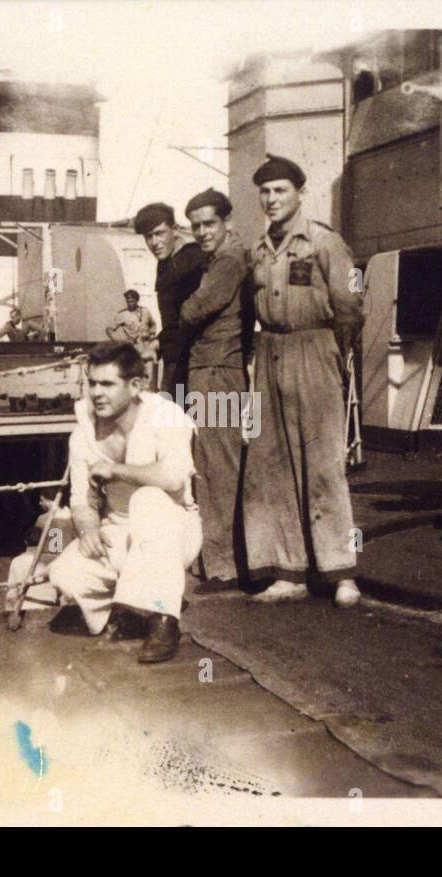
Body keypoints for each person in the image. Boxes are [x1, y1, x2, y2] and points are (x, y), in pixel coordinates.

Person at [243, 154, 363, 607]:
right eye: (265, 191)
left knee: (324, 464)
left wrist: (336, 355)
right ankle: (287, 570)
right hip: (270, 351)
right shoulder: (258, 250)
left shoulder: (325, 243)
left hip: (315, 348)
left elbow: (350, 306)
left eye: (280, 190)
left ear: (299, 193)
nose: (271, 199)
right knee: (271, 465)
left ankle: (341, 573)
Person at [47, 341, 203, 663]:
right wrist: (88, 527)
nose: (97, 392)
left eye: (107, 384)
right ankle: (127, 612)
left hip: (172, 528)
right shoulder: (84, 435)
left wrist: (115, 469)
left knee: (147, 500)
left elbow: (173, 477)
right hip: (119, 532)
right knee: (64, 572)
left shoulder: (165, 416)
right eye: (92, 383)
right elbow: (81, 499)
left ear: (135, 386)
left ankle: (163, 620)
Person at [179, 187, 251, 590]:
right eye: (195, 226)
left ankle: (224, 566)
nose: (202, 232)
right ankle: (216, 560)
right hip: (209, 370)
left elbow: (196, 308)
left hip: (218, 371)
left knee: (217, 467)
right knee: (207, 462)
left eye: (209, 223)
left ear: (226, 223)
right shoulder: (218, 259)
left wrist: (183, 308)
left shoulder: (227, 260)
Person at [133, 202, 207, 395]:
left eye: (159, 233)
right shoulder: (166, 263)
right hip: (175, 359)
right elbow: (173, 319)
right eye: (148, 236)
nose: (154, 242)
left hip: (194, 363)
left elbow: (192, 319)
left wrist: (159, 344)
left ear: (174, 230)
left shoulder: (193, 260)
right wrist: (157, 344)